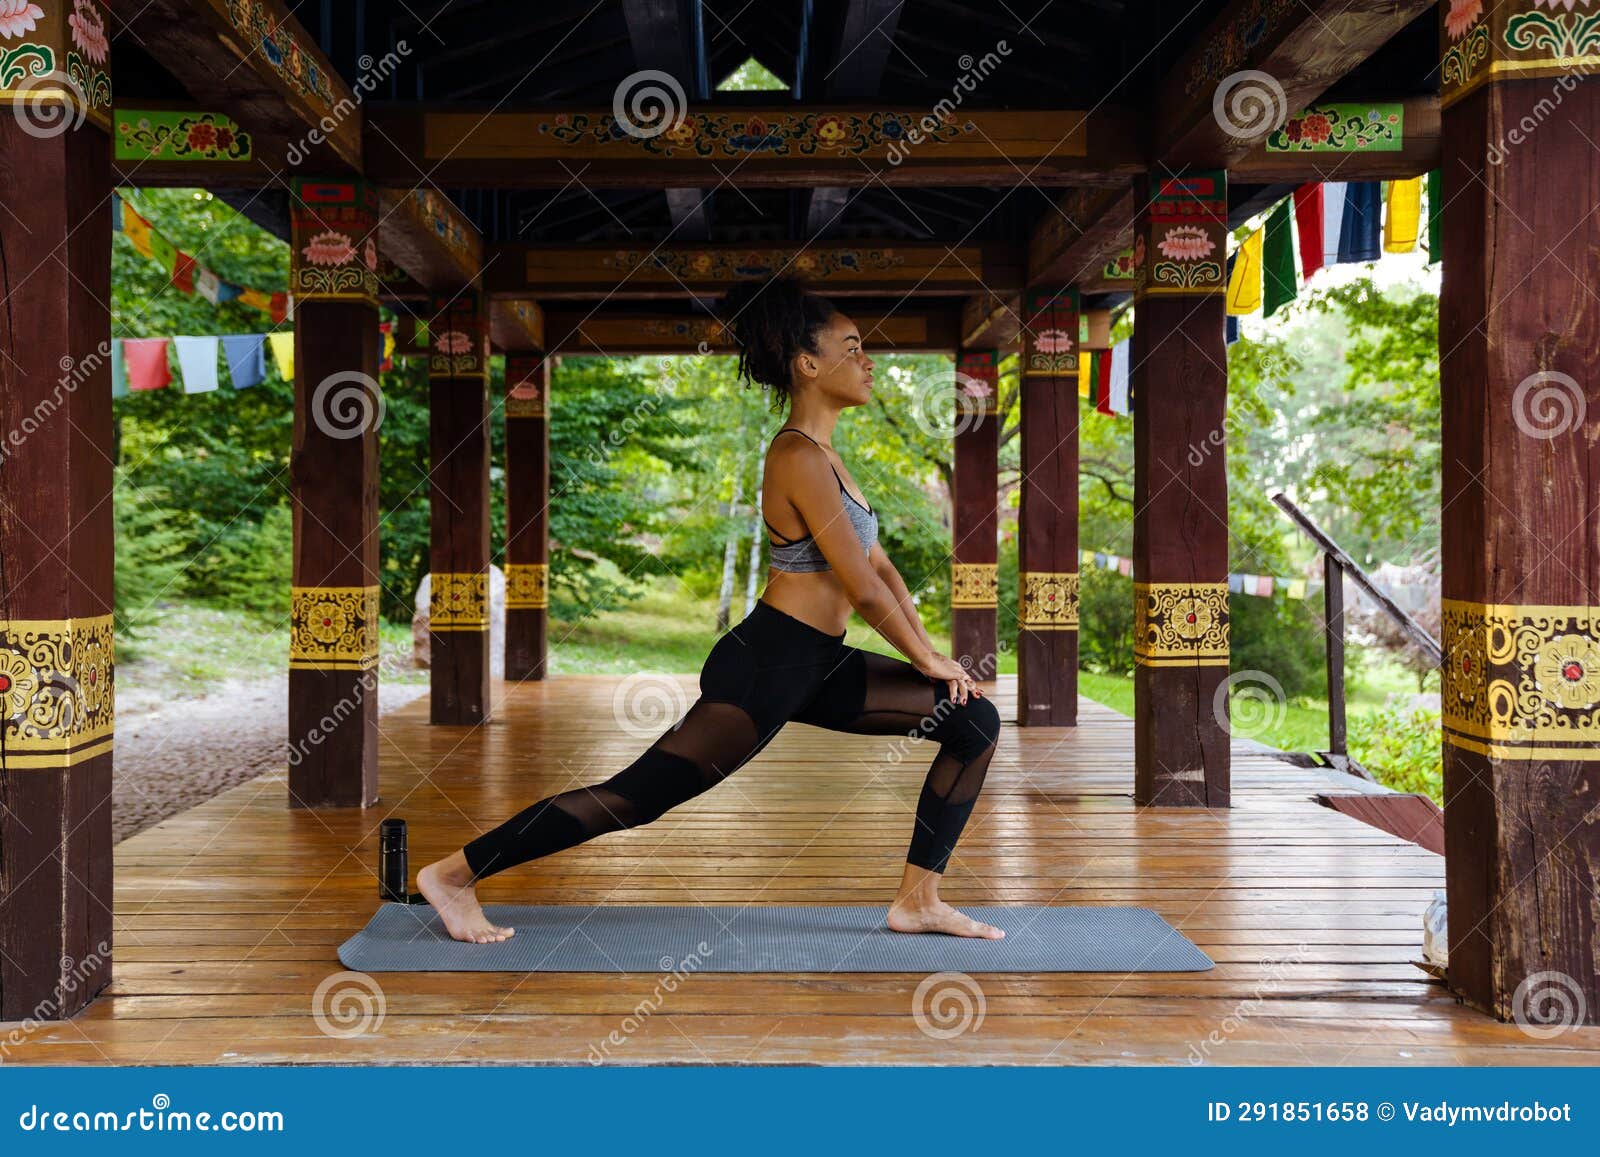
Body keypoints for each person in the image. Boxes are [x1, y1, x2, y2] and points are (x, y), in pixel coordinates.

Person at [417, 275, 1005, 943]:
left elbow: (883, 571)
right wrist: (926, 657)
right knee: (637, 797)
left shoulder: (832, 458)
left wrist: (936, 657)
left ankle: (918, 900)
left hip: (815, 661)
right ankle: (457, 873)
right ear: (808, 364)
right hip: (767, 663)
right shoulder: (795, 454)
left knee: (971, 720)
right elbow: (862, 588)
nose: (869, 360)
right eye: (854, 346)